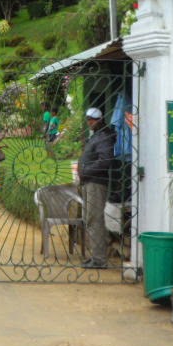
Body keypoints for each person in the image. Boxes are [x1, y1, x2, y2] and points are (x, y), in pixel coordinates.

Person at [77, 107, 116, 269]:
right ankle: (97, 255)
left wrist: (85, 170)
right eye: (88, 119)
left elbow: (105, 160)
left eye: (92, 119)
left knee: (94, 219)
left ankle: (99, 259)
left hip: (96, 183)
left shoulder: (104, 137)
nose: (90, 122)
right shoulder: (97, 136)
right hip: (88, 182)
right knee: (89, 219)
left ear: (100, 120)